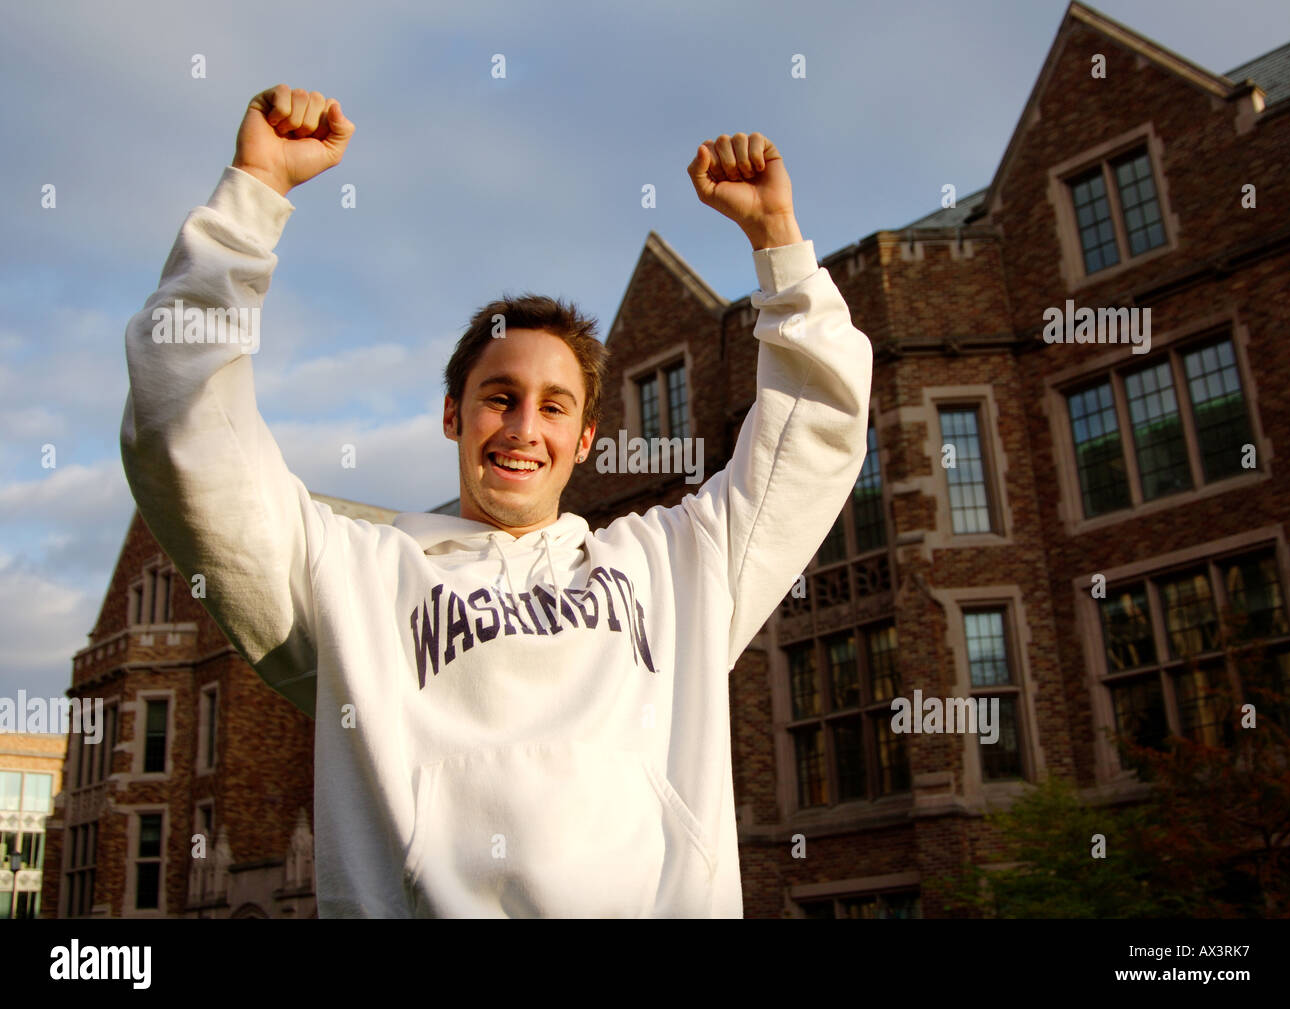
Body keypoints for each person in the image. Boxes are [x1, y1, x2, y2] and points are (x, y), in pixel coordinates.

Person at [120, 84, 873, 917]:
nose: (522, 427)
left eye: (554, 406)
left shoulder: (678, 566)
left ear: (586, 437)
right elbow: (181, 430)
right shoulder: (349, 577)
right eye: (498, 396)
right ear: (452, 414)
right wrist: (253, 195)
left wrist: (779, 244)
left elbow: (816, 437)